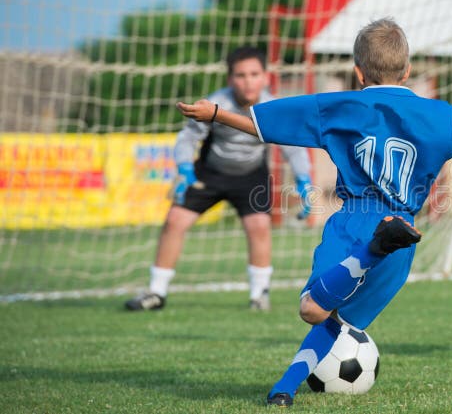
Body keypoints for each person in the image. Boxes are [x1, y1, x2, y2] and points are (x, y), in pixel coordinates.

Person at [176, 18, 452, 407]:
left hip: (357, 221)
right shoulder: (441, 116)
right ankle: (284, 388)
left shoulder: (340, 106)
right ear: (408, 69)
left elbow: (266, 124)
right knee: (336, 321)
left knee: (311, 308)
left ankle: (369, 253)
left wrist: (216, 114)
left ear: (359, 73)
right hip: (405, 234)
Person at [125, 46, 313, 312]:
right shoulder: (214, 104)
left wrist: (304, 179)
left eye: (254, 74)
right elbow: (188, 138)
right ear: (230, 79)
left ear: (265, 77)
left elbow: (293, 147)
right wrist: (184, 169)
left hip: (250, 175)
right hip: (209, 172)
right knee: (174, 220)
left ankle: (259, 295)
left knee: (259, 226)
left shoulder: (273, 108)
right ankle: (157, 292)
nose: (247, 81)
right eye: (240, 75)